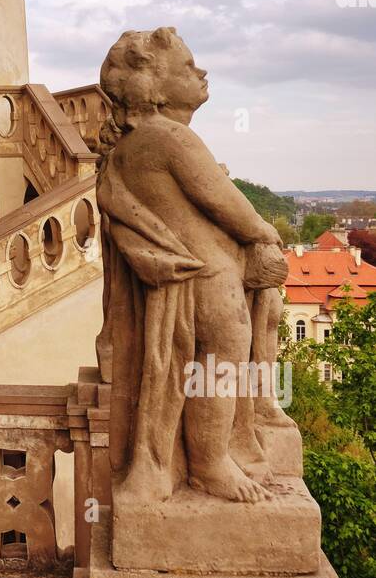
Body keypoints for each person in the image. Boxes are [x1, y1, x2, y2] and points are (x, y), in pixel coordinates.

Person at [96, 27, 288, 504]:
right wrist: (266, 234)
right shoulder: (170, 139)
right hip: (208, 276)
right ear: (155, 89)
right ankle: (209, 463)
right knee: (222, 359)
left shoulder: (136, 145)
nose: (200, 72)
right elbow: (228, 205)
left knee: (215, 362)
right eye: (187, 68)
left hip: (194, 276)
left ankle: (207, 458)